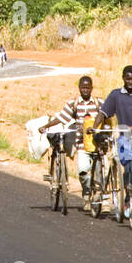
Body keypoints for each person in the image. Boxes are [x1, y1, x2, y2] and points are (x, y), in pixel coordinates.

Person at [92, 65, 132, 219]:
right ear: (123, 78)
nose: (130, 81)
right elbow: (103, 112)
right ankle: (128, 200)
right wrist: (94, 128)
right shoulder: (116, 95)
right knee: (130, 169)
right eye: (128, 78)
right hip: (124, 139)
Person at [40, 74, 100, 209]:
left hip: (97, 145)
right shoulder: (74, 104)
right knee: (83, 171)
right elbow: (62, 118)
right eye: (83, 88)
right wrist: (46, 126)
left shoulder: (98, 103)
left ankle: (100, 197)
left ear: (92, 88)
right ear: (79, 88)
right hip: (81, 144)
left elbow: (106, 116)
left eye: (88, 88)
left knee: (102, 172)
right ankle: (86, 193)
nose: (85, 90)